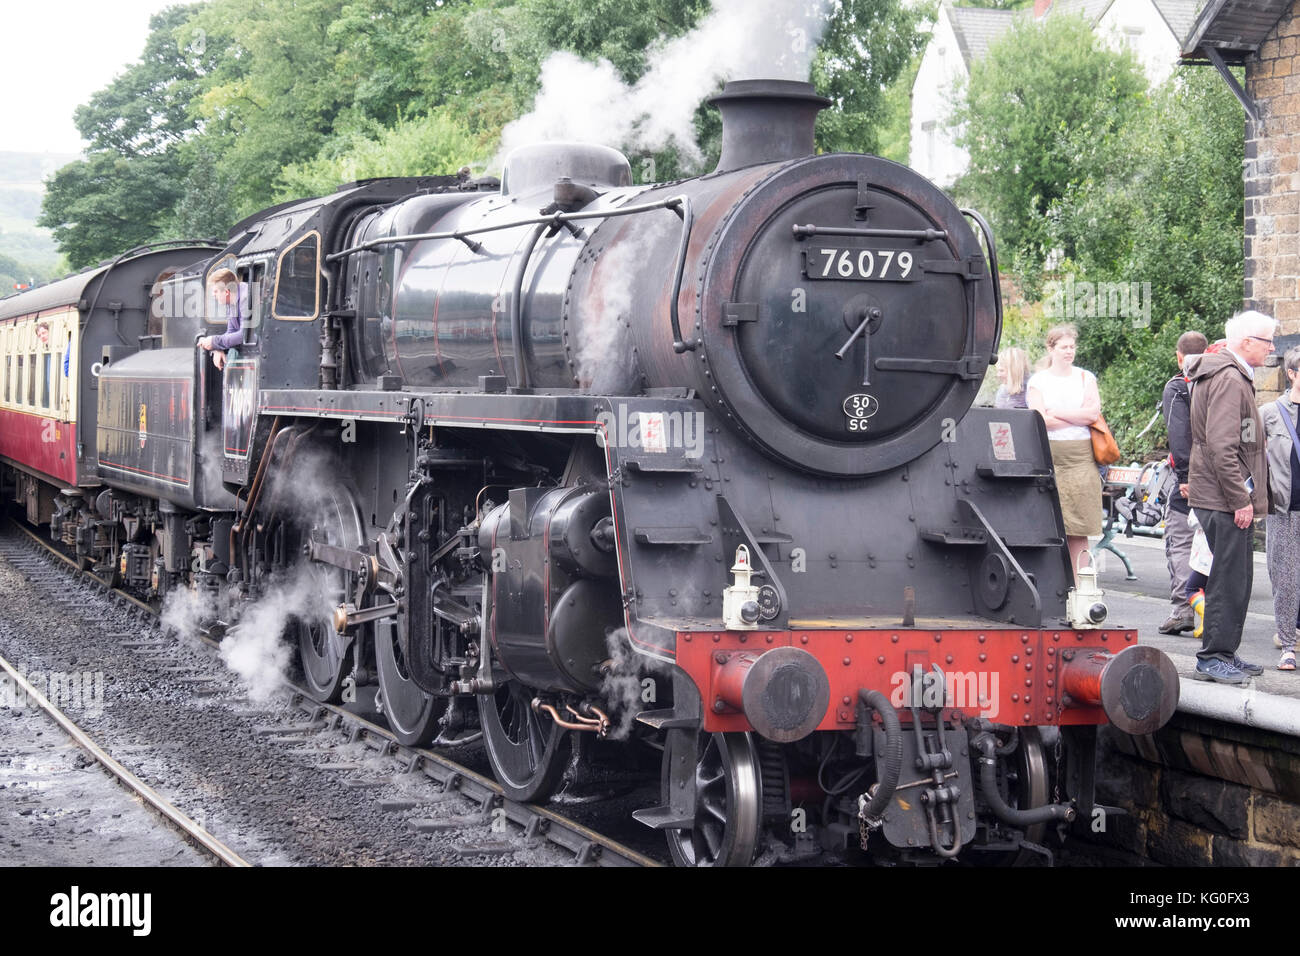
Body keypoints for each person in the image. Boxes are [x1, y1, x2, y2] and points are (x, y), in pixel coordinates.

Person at [1183, 310, 1275, 685]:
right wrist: (1241, 498)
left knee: (1236, 576)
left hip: (1218, 492)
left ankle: (1225, 652)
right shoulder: (1230, 379)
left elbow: (1241, 436)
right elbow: (1223, 446)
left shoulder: (1228, 375)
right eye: (1267, 341)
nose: (1272, 348)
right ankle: (1212, 657)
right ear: (1247, 342)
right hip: (1223, 497)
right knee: (1227, 578)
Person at [1026, 325, 1102, 580]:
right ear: (1051, 348)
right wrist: (1076, 417)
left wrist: (1056, 413)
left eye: (1072, 346)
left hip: (1081, 457)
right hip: (1050, 455)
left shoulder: (1085, 377)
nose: (1069, 351)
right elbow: (1040, 419)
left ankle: (1082, 587)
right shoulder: (1039, 381)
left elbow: (1092, 414)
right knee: (1048, 524)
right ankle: (1055, 584)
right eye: (1064, 347)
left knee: (1079, 528)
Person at [1157, 330, 1208, 634]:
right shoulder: (1220, 381)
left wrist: (1185, 477)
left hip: (1190, 478)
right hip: (1221, 477)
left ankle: (1183, 608)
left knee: (1180, 540)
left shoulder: (1178, 388)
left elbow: (1179, 436)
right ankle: (1209, 605)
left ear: (1179, 357)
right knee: (1211, 543)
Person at [1261, 345, 1300, 670]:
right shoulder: (1270, 412)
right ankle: (1288, 644)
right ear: (1292, 373)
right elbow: (1247, 450)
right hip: (1286, 509)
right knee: (1285, 578)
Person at [197, 268, 244, 371]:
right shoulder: (231, 303)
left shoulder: (246, 299)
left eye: (215, 291)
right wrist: (217, 348)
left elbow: (244, 335)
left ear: (227, 292)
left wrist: (214, 342)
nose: (213, 295)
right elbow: (231, 331)